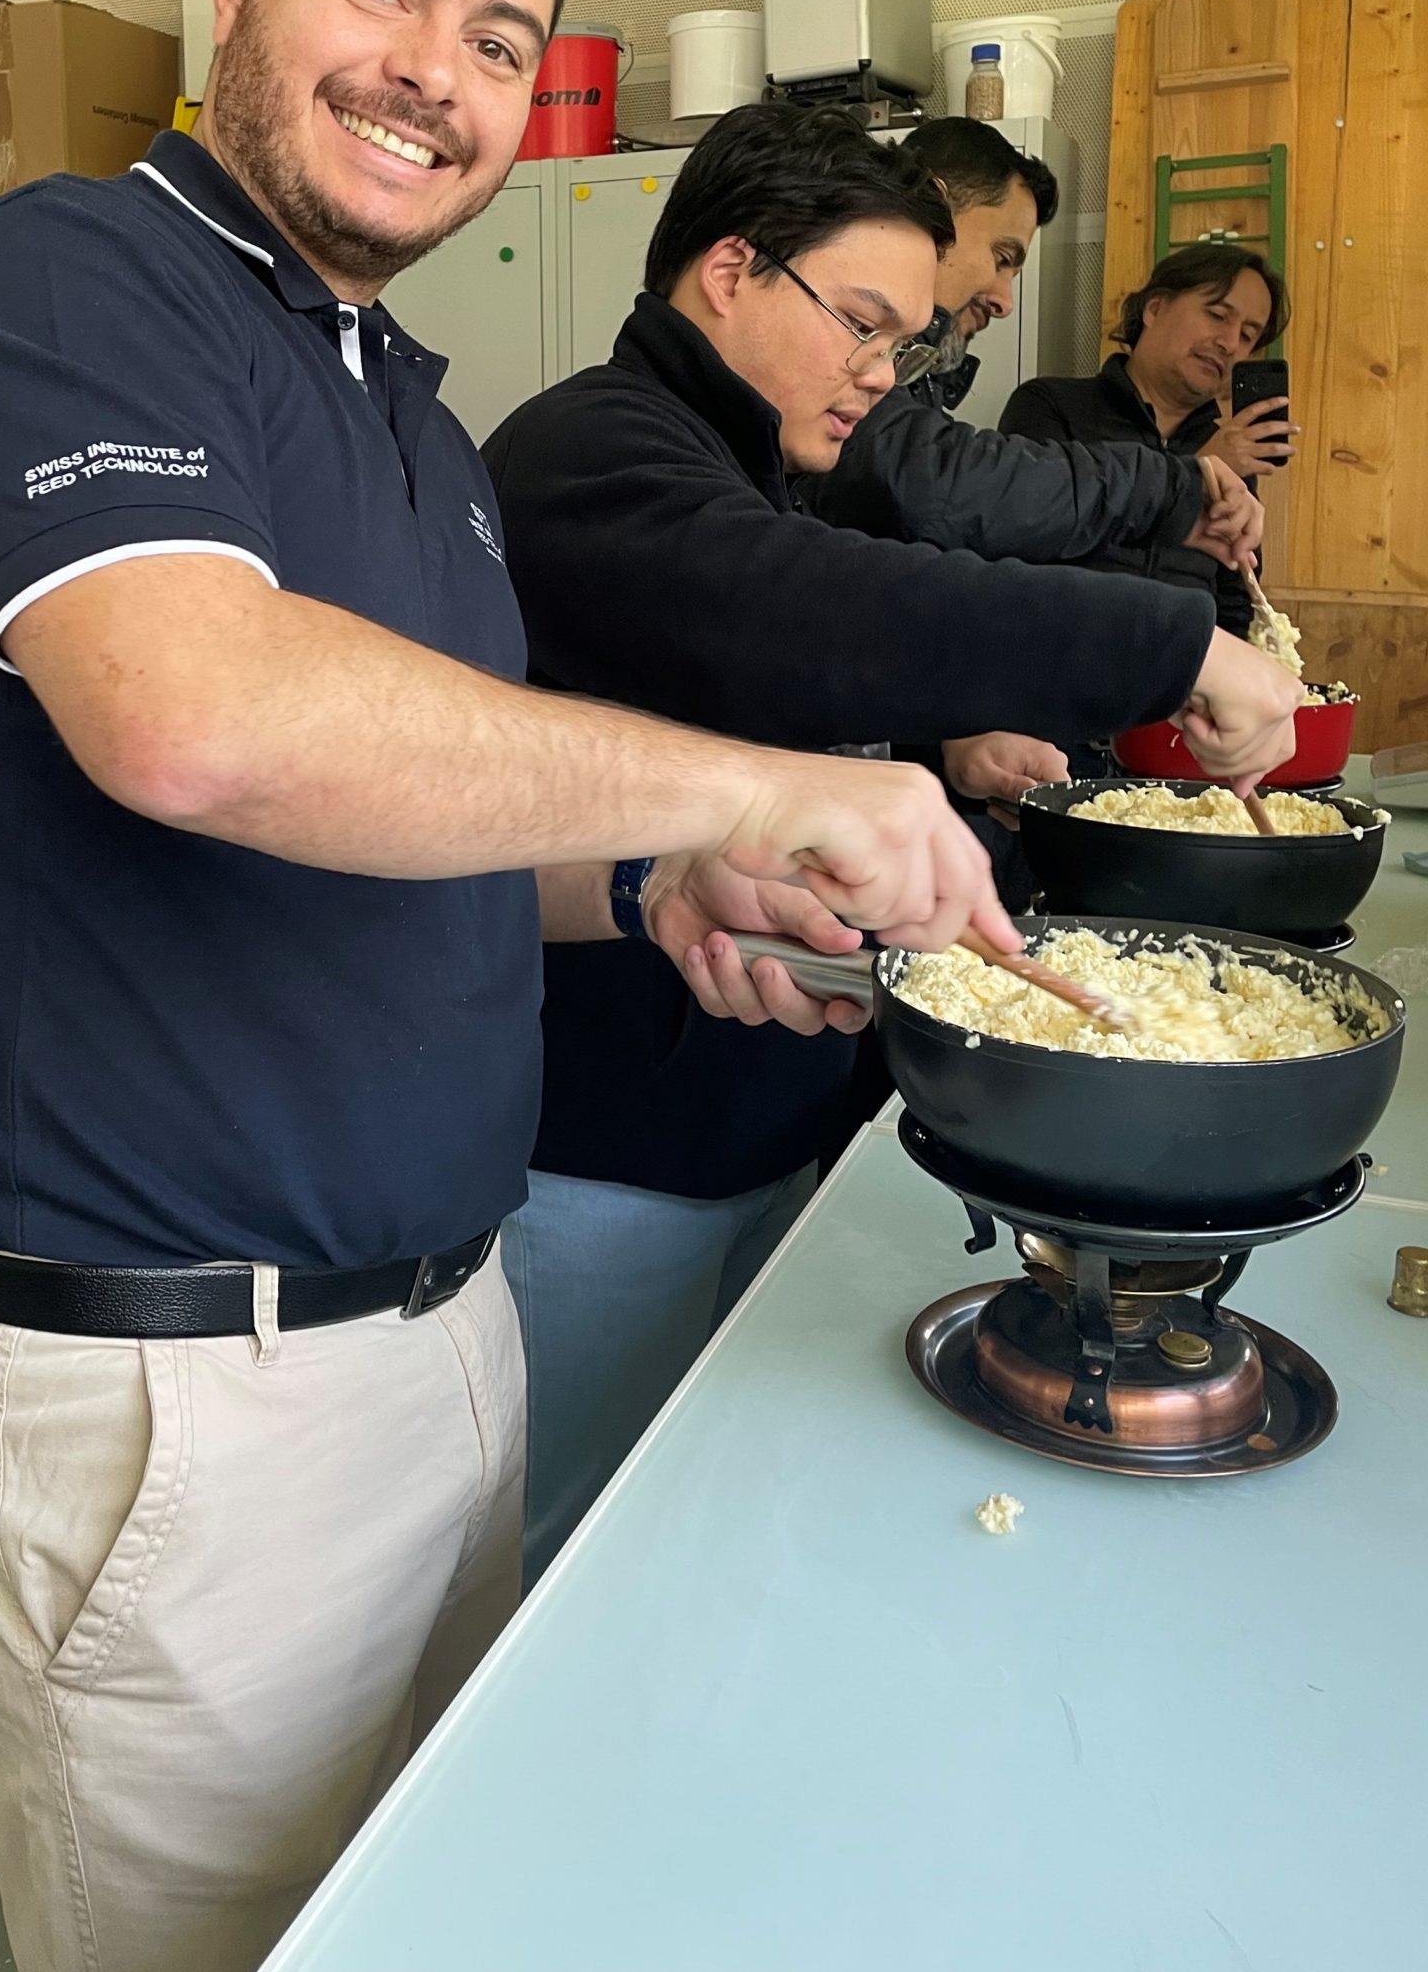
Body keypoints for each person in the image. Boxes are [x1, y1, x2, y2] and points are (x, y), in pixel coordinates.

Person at [0, 0, 1017, 1972]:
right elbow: (196, 717)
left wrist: (658, 880)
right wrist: (759, 784)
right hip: (175, 1378)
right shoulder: (60, 281)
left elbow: (418, 810)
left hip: (435, 1331)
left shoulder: (405, 411)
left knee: (418, 1913)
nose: (432, 71)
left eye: (497, 39)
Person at [482, 105, 1302, 1586]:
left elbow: (770, 704)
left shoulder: (758, 457)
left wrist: (937, 749)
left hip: (758, 1110)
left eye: (904, 345)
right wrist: (1174, 646)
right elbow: (794, 610)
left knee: (712, 1522)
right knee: (575, 1546)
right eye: (861, 325)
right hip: (610, 1149)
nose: (882, 373)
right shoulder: (593, 446)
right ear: (731, 270)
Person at [798, 119, 1265, 585]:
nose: (1005, 302)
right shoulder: (1049, 403)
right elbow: (933, 486)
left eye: (1248, 334)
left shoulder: (908, 374)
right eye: (1002, 259)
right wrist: (1174, 487)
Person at [1000, 240, 1292, 638]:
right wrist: (1191, 475)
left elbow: (1235, 599)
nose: (1229, 343)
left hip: (1186, 669)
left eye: (1247, 336)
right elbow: (1025, 540)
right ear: (1154, 309)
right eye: (1217, 315)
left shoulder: (1230, 450)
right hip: (1059, 652)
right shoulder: (1050, 404)